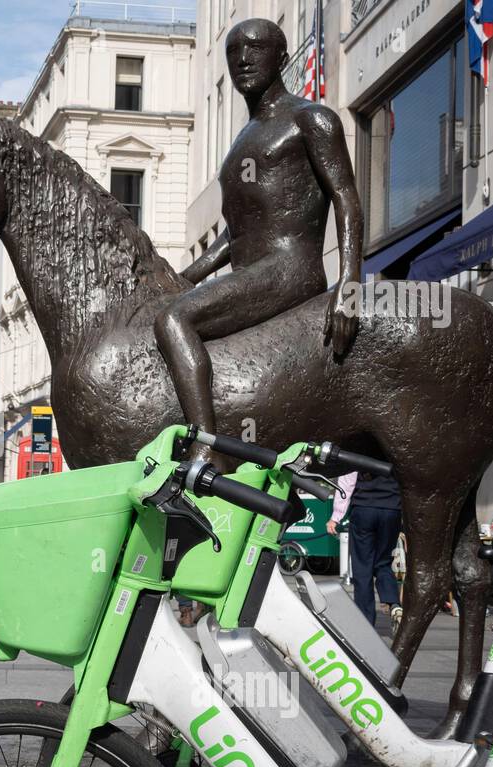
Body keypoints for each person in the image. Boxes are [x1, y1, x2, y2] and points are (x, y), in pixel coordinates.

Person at [158, 18, 362, 463]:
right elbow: (236, 233)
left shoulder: (311, 119)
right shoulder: (242, 140)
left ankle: (205, 450)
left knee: (175, 320)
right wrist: (184, 275)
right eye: (233, 52)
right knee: (168, 306)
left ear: (282, 58)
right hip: (251, 271)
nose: (242, 59)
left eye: (255, 48)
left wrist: (349, 286)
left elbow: (346, 198)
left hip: (290, 268)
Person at [341, 471, 402, 628]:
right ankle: (393, 602)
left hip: (364, 507)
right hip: (392, 508)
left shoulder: (362, 447)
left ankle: (365, 623)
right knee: (383, 562)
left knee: (362, 568)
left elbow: (347, 481)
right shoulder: (399, 448)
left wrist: (336, 517)